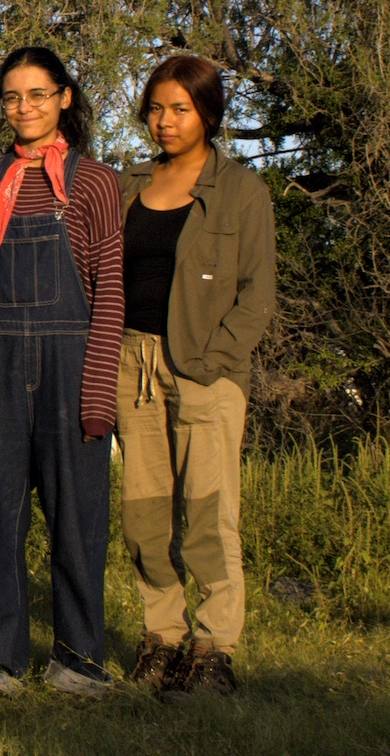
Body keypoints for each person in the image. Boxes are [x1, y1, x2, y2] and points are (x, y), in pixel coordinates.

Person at [0, 47, 125, 697]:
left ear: (64, 97)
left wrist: (97, 396)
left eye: (37, 93)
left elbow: (107, 293)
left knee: (78, 519)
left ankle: (78, 661)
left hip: (71, 363)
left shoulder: (97, 182)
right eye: (11, 95)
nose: (23, 107)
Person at [117, 55, 275, 697]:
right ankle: (163, 638)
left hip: (206, 369)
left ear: (208, 113)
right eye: (156, 108)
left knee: (209, 514)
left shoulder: (240, 190)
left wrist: (216, 361)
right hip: (135, 363)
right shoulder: (129, 183)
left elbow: (258, 292)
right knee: (145, 515)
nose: (165, 121)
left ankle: (213, 648)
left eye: (180, 108)